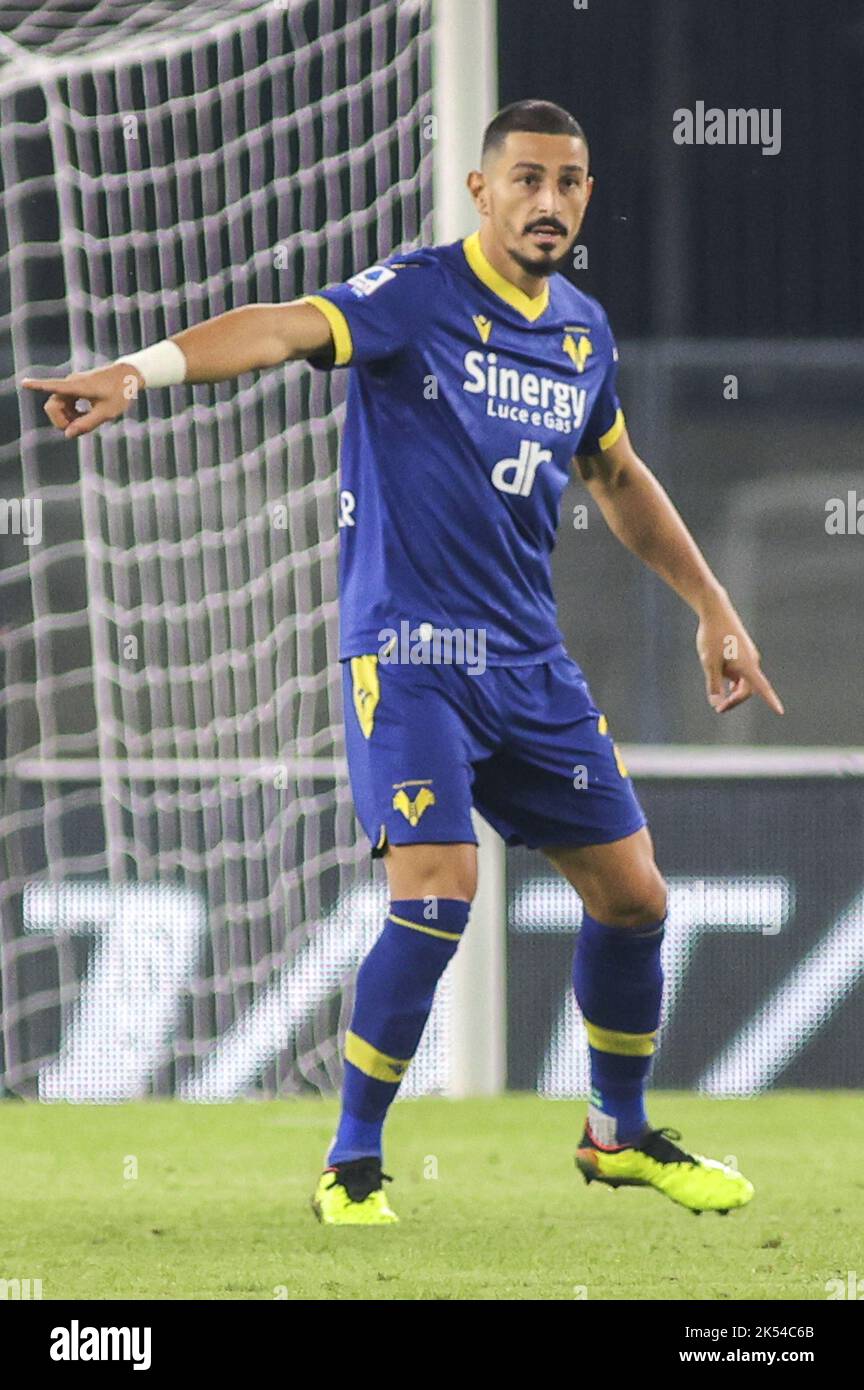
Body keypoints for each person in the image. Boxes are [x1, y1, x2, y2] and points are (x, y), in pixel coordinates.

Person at [24, 99, 783, 1227]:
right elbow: (282, 326)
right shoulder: (416, 296)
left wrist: (712, 603)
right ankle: (352, 1164)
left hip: (529, 663)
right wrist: (143, 371)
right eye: (526, 178)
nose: (549, 200)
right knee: (439, 892)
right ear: (481, 191)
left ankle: (618, 1134)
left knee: (634, 900)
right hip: (410, 650)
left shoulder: (582, 332)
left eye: (569, 182)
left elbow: (617, 478)